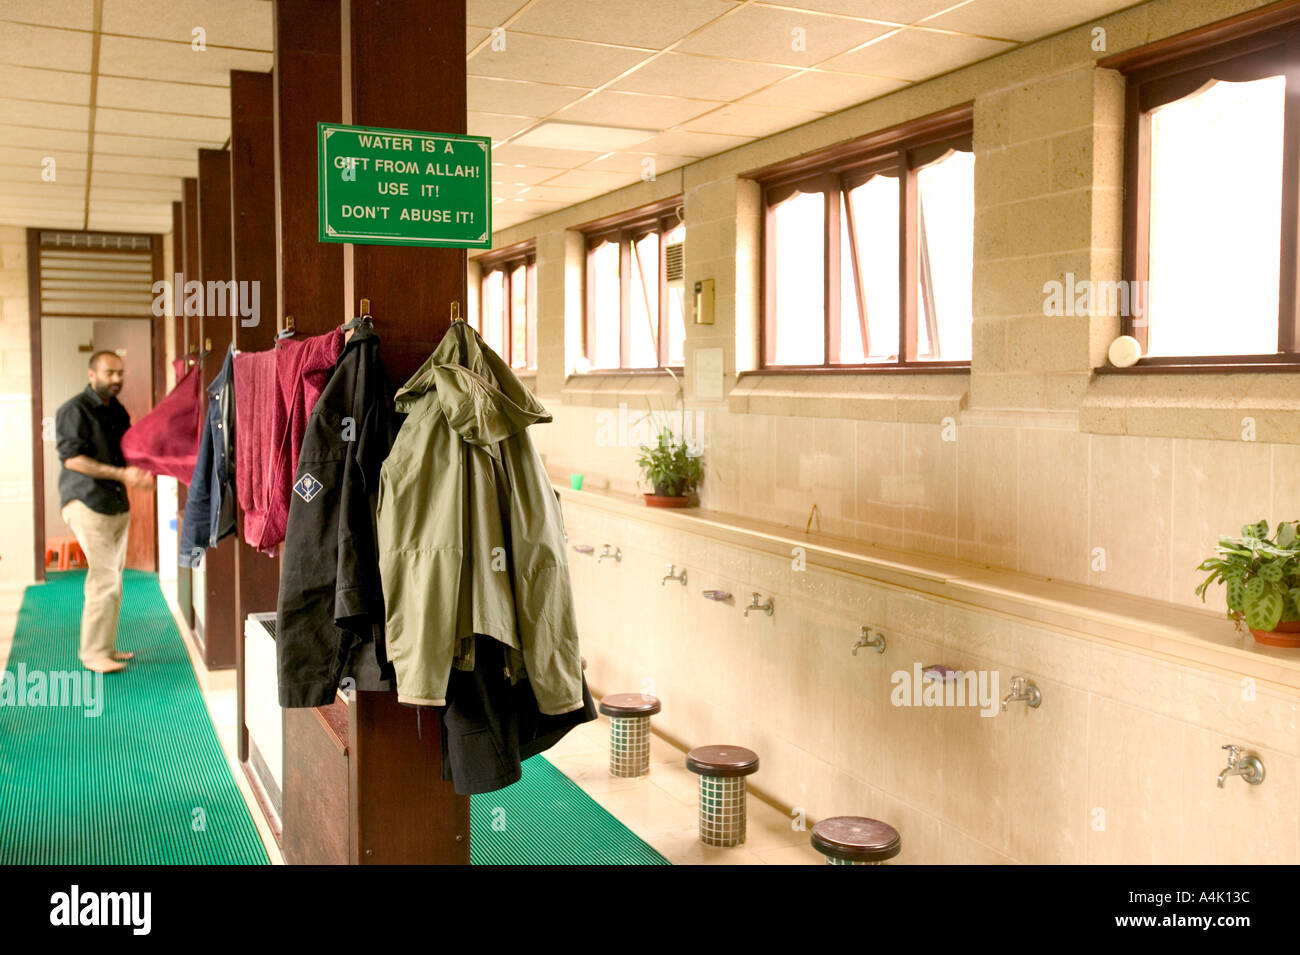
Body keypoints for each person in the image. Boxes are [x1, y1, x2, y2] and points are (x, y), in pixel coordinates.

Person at [55, 350, 154, 674]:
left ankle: (106, 647)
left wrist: (139, 472)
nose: (116, 379)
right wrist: (123, 475)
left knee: (113, 579)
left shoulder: (118, 411)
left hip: (115, 505)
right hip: (86, 502)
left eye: (120, 373)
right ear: (91, 374)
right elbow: (72, 459)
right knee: (104, 578)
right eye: (110, 373)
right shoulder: (74, 410)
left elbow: (125, 453)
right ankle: (93, 653)